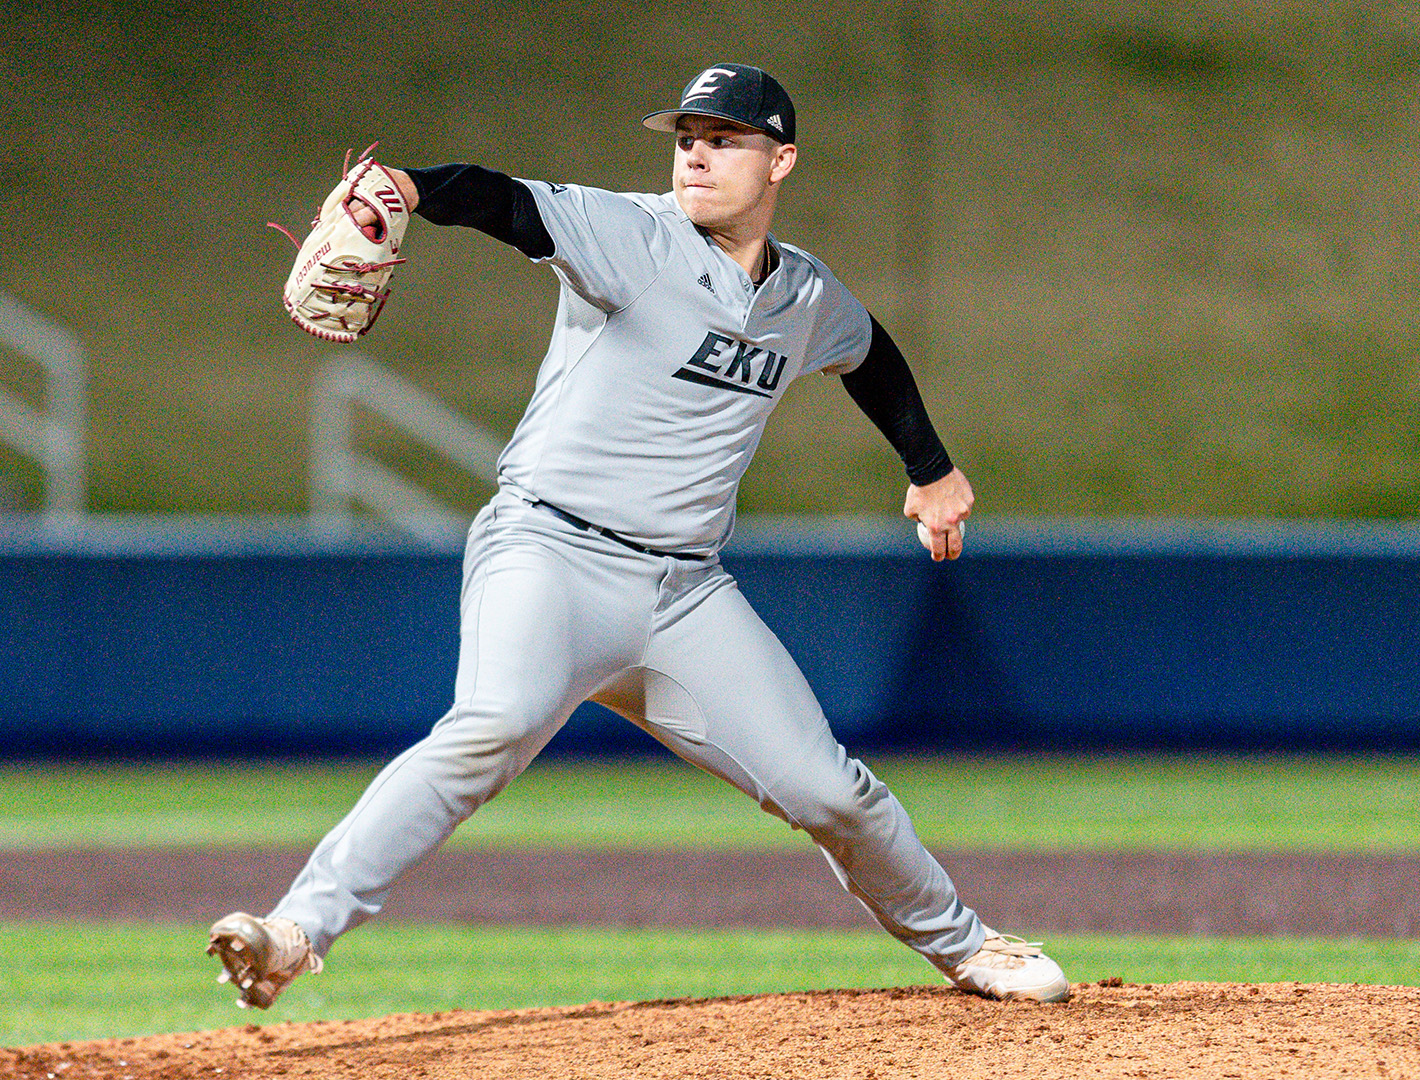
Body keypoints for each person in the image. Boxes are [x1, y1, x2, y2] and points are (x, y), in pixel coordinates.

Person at [208, 64, 1066, 1007]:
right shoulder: (635, 236)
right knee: (489, 727)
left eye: (724, 139)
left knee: (831, 792)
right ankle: (294, 932)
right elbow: (506, 204)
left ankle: (968, 947)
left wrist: (930, 468)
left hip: (685, 594)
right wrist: (412, 188)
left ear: (781, 160)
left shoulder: (803, 296)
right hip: (550, 556)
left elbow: (870, 356)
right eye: (686, 138)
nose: (696, 154)